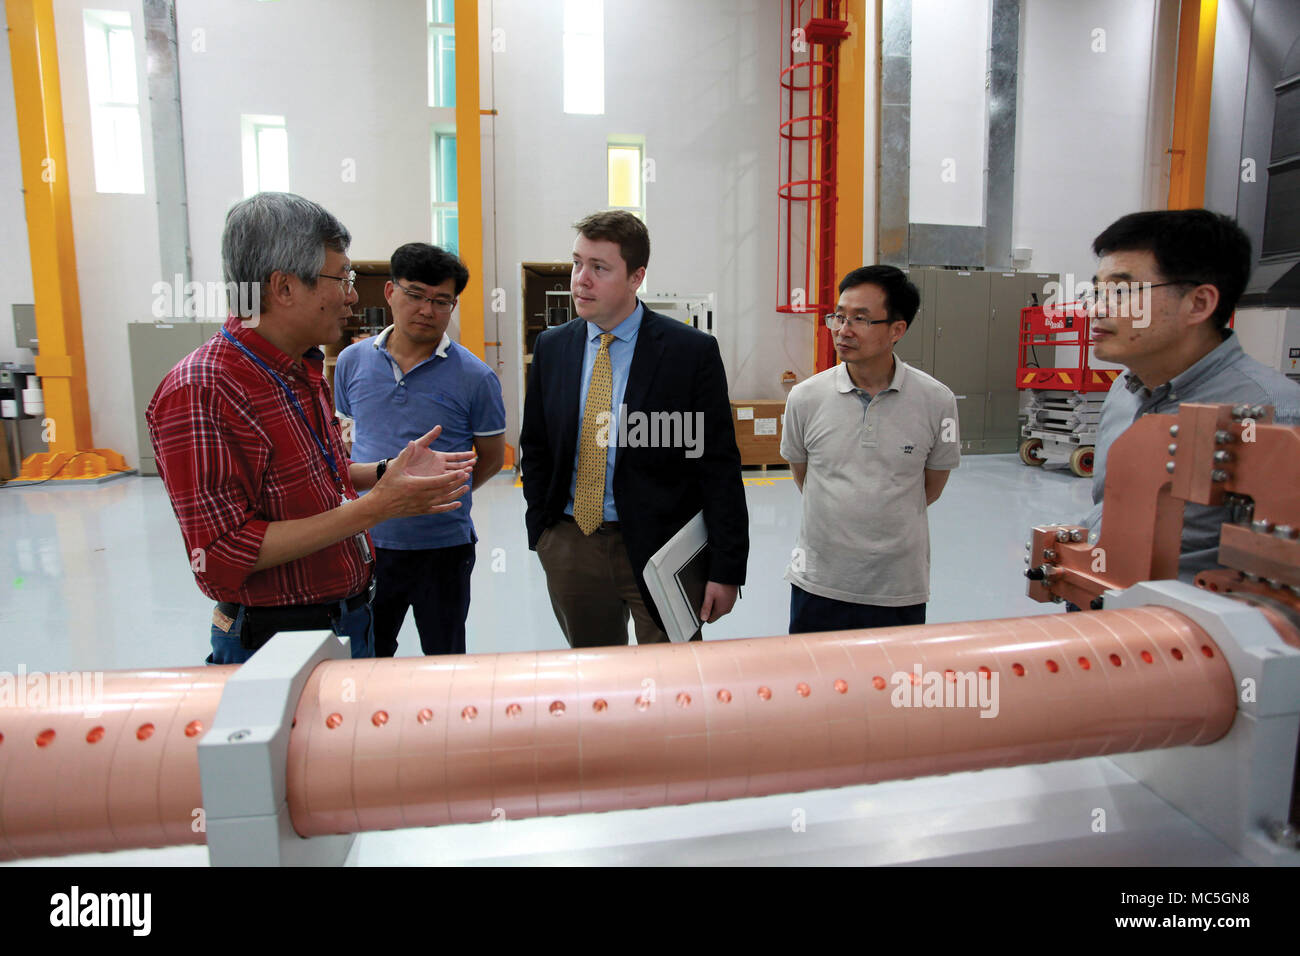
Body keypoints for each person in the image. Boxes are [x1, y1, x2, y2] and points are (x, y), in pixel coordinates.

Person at [147, 192, 474, 665]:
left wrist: (385, 472)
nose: (351, 295)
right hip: (280, 640)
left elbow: (324, 476)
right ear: (283, 288)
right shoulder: (203, 390)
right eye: (342, 278)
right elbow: (220, 553)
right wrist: (380, 508)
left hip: (346, 617)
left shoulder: (301, 370)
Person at [520, 210, 748, 647]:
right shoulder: (553, 347)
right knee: (595, 677)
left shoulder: (689, 352)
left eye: (599, 268)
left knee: (673, 681)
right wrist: (544, 531)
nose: (580, 279)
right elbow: (537, 445)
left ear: (636, 276)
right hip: (573, 543)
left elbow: (717, 466)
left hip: (663, 550)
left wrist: (726, 567)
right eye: (577, 263)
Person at [1080, 209, 1300, 578]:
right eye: (1097, 291)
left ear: (1198, 303)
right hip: (1104, 609)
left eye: (1120, 291)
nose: (1096, 309)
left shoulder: (1276, 414)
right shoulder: (1125, 389)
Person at [334, 243, 506, 656]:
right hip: (369, 542)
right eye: (415, 295)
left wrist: (441, 493)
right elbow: (344, 443)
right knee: (367, 655)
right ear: (391, 293)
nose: (427, 310)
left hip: (444, 547)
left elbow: (492, 458)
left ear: (452, 306)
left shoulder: (476, 377)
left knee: (445, 658)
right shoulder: (351, 362)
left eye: (441, 301)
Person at [781, 265, 960, 633]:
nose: (843, 330)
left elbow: (930, 487)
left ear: (897, 330)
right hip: (819, 582)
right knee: (816, 685)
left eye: (860, 319)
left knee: (893, 688)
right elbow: (806, 477)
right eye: (839, 316)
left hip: (897, 589)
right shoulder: (805, 398)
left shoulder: (937, 401)